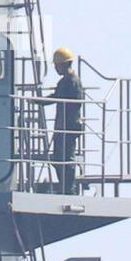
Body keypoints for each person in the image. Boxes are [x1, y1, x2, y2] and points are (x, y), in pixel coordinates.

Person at [44, 47, 84, 195]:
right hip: (66, 125)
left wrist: (39, 101)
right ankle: (66, 188)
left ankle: (69, 189)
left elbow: (57, 97)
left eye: (57, 65)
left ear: (64, 64)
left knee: (65, 159)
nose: (55, 68)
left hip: (68, 126)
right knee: (59, 158)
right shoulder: (69, 81)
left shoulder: (70, 82)